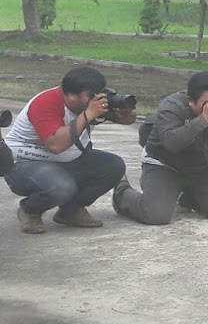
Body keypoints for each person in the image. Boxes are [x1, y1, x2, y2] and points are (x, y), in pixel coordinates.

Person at [113, 71, 208, 225]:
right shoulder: (172, 106)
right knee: (156, 215)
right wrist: (204, 119)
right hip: (164, 164)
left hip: (199, 165)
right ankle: (121, 193)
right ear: (191, 101)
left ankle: (189, 196)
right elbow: (172, 143)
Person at [5, 66, 136, 234]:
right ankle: (30, 210)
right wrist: (88, 114)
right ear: (71, 95)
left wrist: (124, 113)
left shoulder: (88, 103)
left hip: (66, 159)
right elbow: (56, 145)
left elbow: (128, 120)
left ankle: (70, 211)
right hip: (23, 163)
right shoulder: (47, 103)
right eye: (91, 95)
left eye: (99, 92)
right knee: (61, 186)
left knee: (113, 165)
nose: (96, 98)